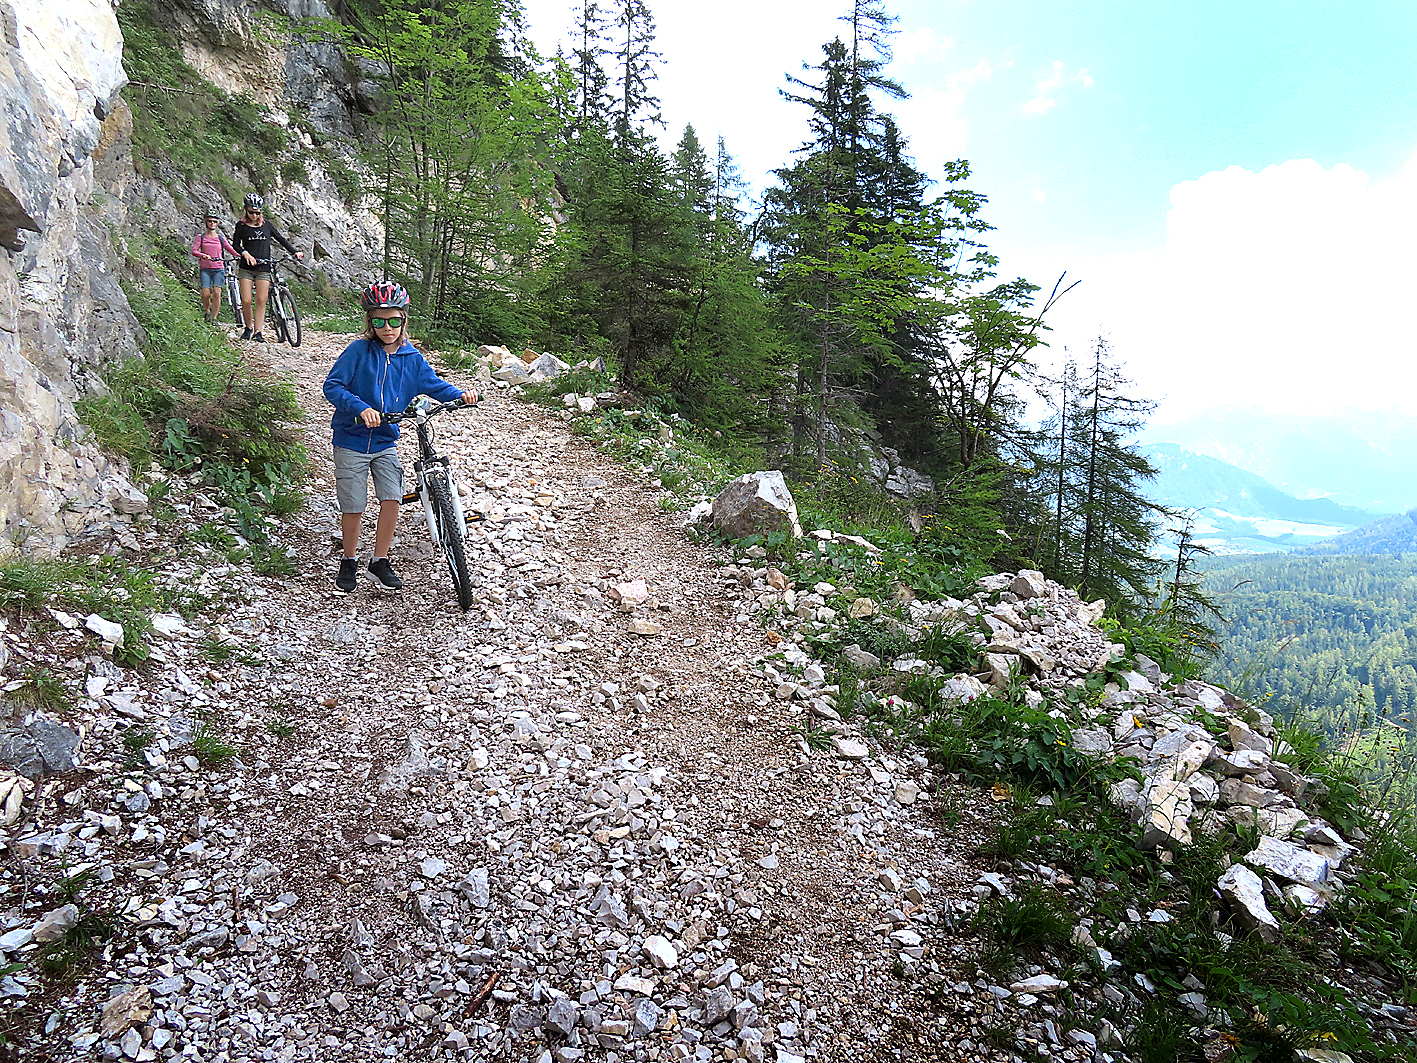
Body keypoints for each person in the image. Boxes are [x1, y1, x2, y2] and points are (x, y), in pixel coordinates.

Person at [322, 281, 479, 593]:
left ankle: (379, 560)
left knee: (392, 498)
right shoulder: (357, 351)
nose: (387, 327)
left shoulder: (412, 358)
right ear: (370, 323)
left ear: (404, 321)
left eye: (394, 320)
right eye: (378, 321)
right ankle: (349, 559)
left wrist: (461, 395)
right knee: (353, 504)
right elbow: (333, 386)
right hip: (351, 439)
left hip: (384, 441)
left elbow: (434, 384)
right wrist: (361, 407)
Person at [231, 192, 303, 342]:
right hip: (246, 268)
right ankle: (248, 328)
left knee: (261, 300)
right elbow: (236, 245)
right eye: (251, 212)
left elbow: (281, 239)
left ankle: (258, 331)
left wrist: (295, 252)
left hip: (264, 267)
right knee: (246, 300)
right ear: (246, 210)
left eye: (257, 213)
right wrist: (245, 253)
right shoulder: (241, 226)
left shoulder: (267, 225)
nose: (254, 216)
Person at [190, 208, 237, 324]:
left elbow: (230, 249)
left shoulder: (220, 238)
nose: (212, 223)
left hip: (218, 268)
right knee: (206, 293)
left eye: (215, 221)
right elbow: (194, 251)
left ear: (218, 223)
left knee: (217, 293)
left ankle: (215, 317)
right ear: (206, 222)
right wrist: (203, 255)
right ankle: (207, 311)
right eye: (210, 221)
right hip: (205, 269)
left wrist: (241, 255)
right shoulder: (200, 237)